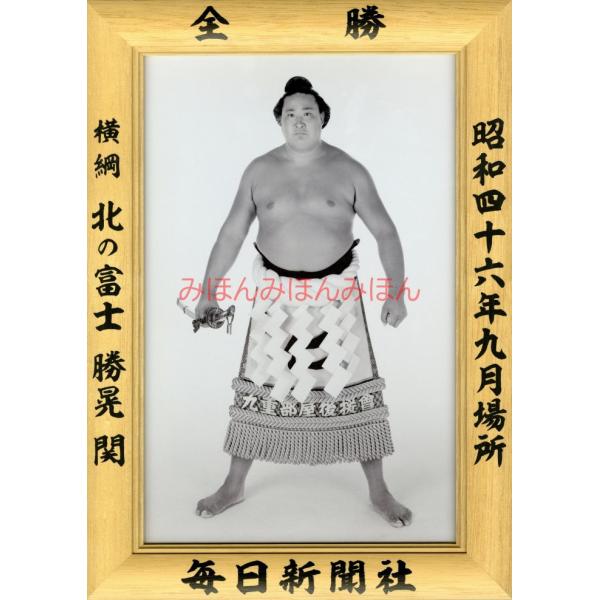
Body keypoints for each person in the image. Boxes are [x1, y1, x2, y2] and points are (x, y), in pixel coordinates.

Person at [194, 76, 411, 527]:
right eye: (290, 114)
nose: (299, 122)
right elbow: (232, 233)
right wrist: (208, 292)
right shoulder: (258, 171)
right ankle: (233, 485)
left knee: (356, 388)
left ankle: (379, 491)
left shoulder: (351, 170)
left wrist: (395, 292)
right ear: (279, 121)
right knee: (258, 385)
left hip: (338, 298)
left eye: (307, 113)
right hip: (275, 299)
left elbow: (386, 231)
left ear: (323, 118)